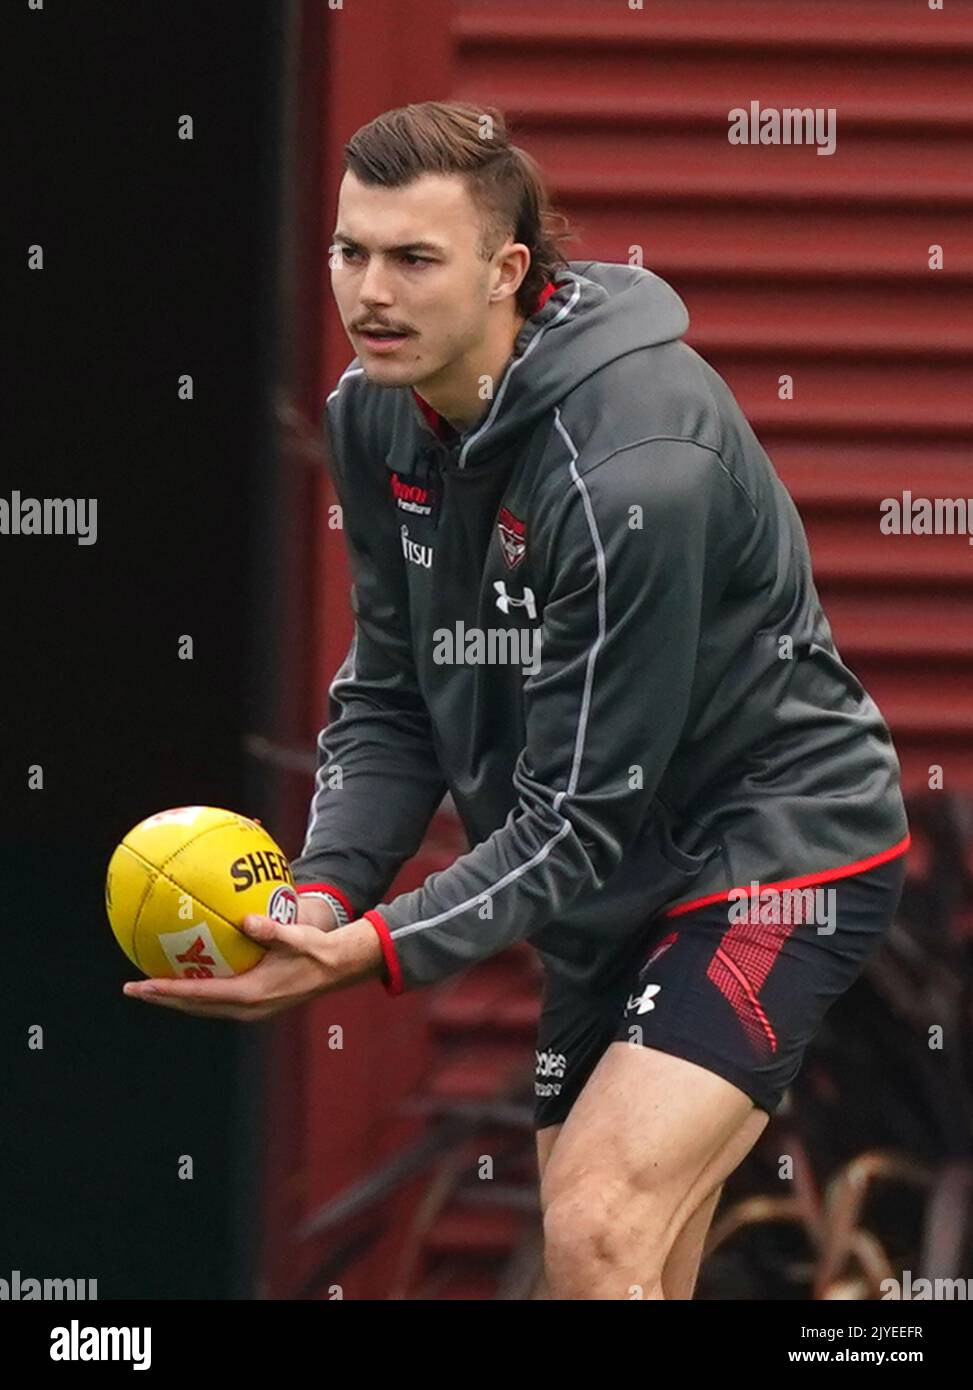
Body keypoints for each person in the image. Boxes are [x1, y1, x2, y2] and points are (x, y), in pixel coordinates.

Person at [124, 100, 910, 1301]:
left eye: (414, 258)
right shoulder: (373, 412)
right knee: (615, 1260)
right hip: (602, 888)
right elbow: (391, 695)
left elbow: (583, 810)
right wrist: (320, 891)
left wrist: (366, 952)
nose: (370, 293)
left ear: (507, 271)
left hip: (770, 853)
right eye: (352, 251)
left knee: (598, 1228)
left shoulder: (634, 467)